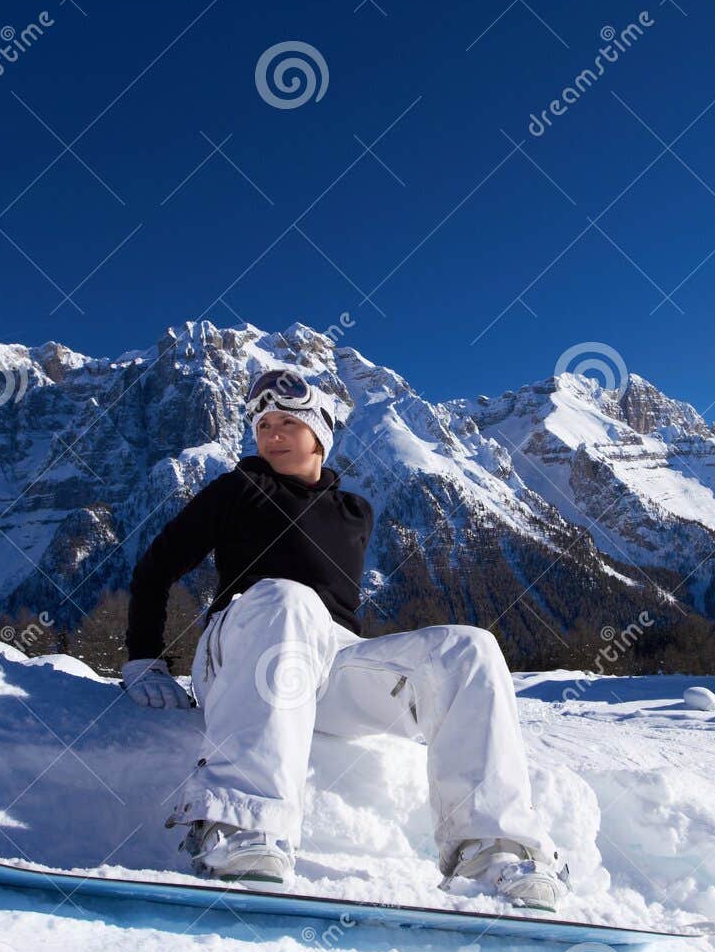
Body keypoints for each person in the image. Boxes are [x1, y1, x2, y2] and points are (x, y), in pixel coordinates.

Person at [119, 368, 570, 911]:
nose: (272, 434)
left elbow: (335, 608)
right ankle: (240, 824)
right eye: (263, 424)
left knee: (468, 647)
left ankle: (492, 848)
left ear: (320, 434)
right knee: (289, 598)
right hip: (244, 648)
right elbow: (155, 566)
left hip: (323, 662)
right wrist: (146, 657)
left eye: (288, 421)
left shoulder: (355, 511)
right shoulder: (239, 487)